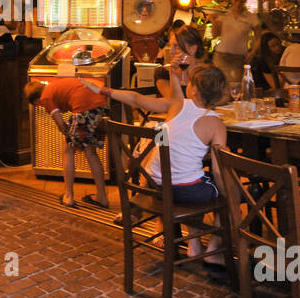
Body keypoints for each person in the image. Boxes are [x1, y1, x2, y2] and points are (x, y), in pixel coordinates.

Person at [86, 64, 230, 268]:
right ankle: (213, 252)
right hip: (183, 191)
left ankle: (194, 246)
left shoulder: (176, 105)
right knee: (225, 191)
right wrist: (227, 194)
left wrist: (104, 90)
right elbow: (218, 168)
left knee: (199, 180)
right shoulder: (216, 124)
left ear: (194, 89)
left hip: (155, 186)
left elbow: (137, 99)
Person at [24, 77, 111, 210]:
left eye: (38, 105)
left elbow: (60, 123)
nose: (42, 106)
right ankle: (102, 198)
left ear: (36, 101)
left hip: (84, 110)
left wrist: (68, 134)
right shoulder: (55, 87)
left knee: (69, 150)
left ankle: (68, 196)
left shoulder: (46, 96)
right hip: (101, 107)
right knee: (91, 152)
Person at [213, 0, 254, 82]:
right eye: (236, 0)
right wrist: (214, 21)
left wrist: (252, 53)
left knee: (235, 85)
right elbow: (215, 35)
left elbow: (259, 36)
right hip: (221, 55)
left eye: (241, 1)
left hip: (238, 58)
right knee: (219, 84)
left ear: (245, 2)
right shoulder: (224, 15)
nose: (238, 4)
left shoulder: (250, 17)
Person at [156, 25, 206, 98]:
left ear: (193, 49)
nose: (171, 52)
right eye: (170, 46)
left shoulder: (207, 74)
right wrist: (173, 74)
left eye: (177, 47)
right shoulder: (163, 73)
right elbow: (175, 102)